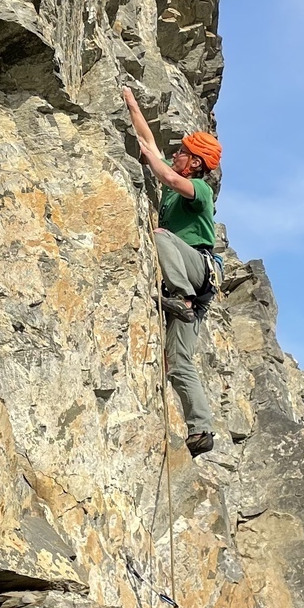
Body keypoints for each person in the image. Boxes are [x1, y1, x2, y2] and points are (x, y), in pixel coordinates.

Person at [123, 85, 222, 454]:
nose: (175, 154)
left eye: (181, 152)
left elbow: (168, 177)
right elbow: (147, 140)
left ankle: (179, 295)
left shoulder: (198, 190)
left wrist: (152, 158)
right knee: (178, 360)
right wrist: (131, 103)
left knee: (161, 235)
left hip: (197, 269)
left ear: (195, 163)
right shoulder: (174, 183)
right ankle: (201, 430)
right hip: (195, 291)